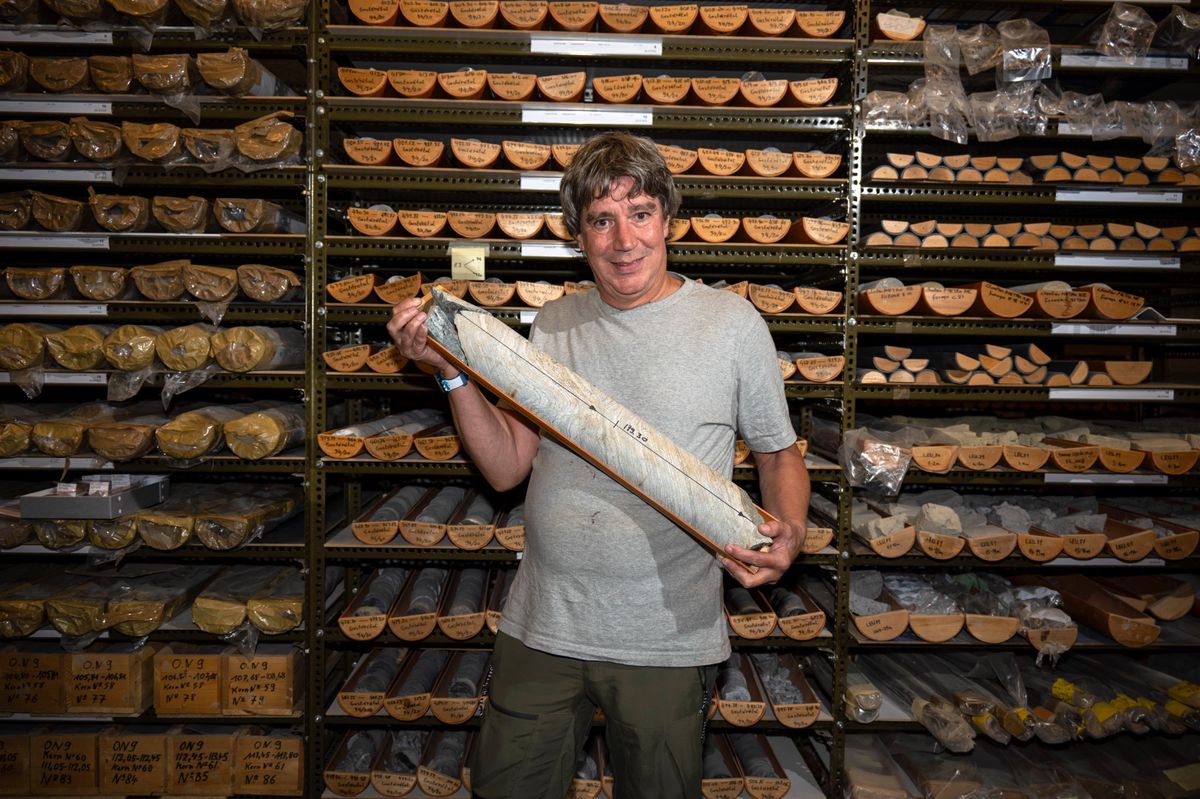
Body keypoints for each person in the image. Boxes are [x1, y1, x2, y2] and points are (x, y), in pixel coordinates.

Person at [387, 131, 810, 799]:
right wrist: (450, 373)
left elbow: (777, 453)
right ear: (578, 235)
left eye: (640, 213)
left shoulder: (731, 324)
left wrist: (791, 530)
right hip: (544, 625)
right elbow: (506, 468)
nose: (624, 240)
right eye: (602, 220)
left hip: (666, 639)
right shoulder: (555, 324)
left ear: (667, 219)